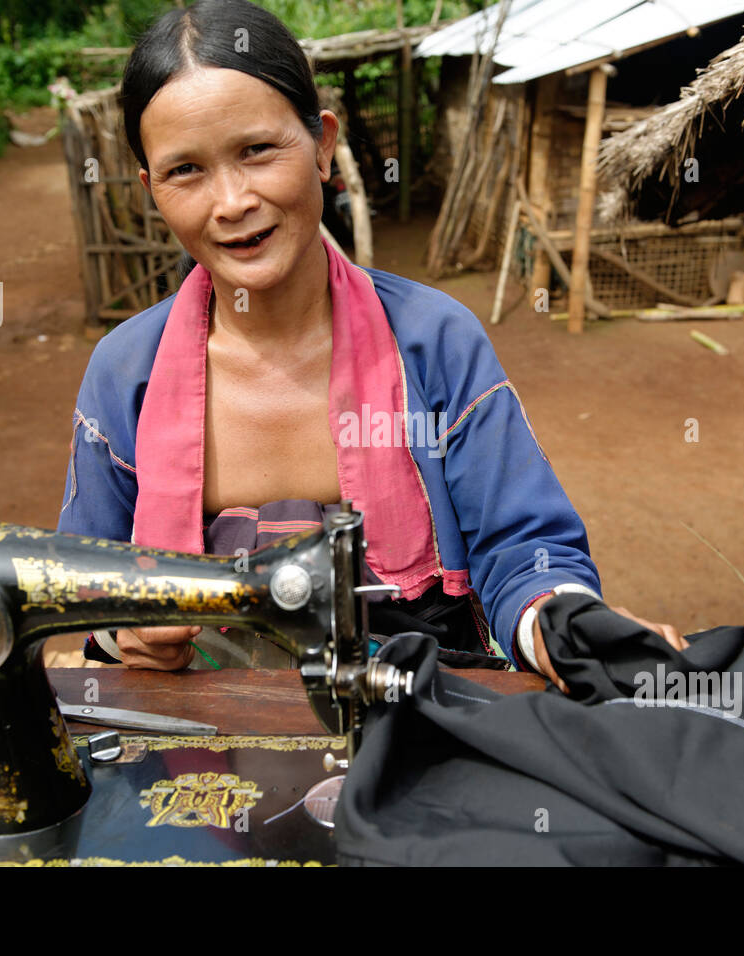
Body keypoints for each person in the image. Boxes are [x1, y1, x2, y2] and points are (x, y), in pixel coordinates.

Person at [57, 0, 685, 686]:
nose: (231, 200)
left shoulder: (434, 342)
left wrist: (565, 623)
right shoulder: (125, 376)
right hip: (205, 748)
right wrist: (122, 632)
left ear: (323, 145)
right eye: (187, 171)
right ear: (152, 190)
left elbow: (521, 545)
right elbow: (83, 582)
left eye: (257, 151)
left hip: (423, 715)